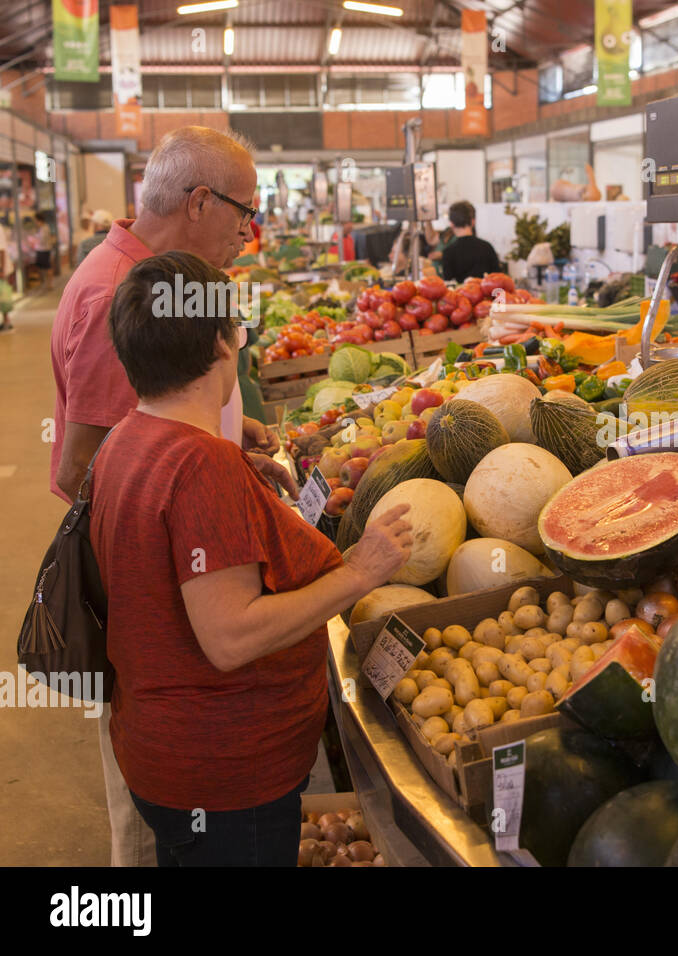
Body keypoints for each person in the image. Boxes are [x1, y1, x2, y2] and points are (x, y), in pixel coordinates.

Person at [90, 251, 413, 866]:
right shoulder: (199, 464)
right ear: (218, 342)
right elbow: (230, 637)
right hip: (226, 775)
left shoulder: (126, 440)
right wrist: (361, 571)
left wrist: (234, 470)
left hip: (163, 756)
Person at [49, 124, 293, 868]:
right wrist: (204, 482)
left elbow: (148, 411)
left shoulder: (153, 279)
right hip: (160, 607)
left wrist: (228, 426)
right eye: (242, 213)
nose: (248, 234)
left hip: (185, 583)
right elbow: (84, 468)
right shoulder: (114, 293)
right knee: (164, 819)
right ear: (197, 201)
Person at [439, 200, 500, 282]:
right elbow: (499, 280)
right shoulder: (487, 247)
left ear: (451, 224)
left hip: (459, 294)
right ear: (473, 221)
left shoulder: (448, 252)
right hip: (487, 294)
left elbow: (449, 286)